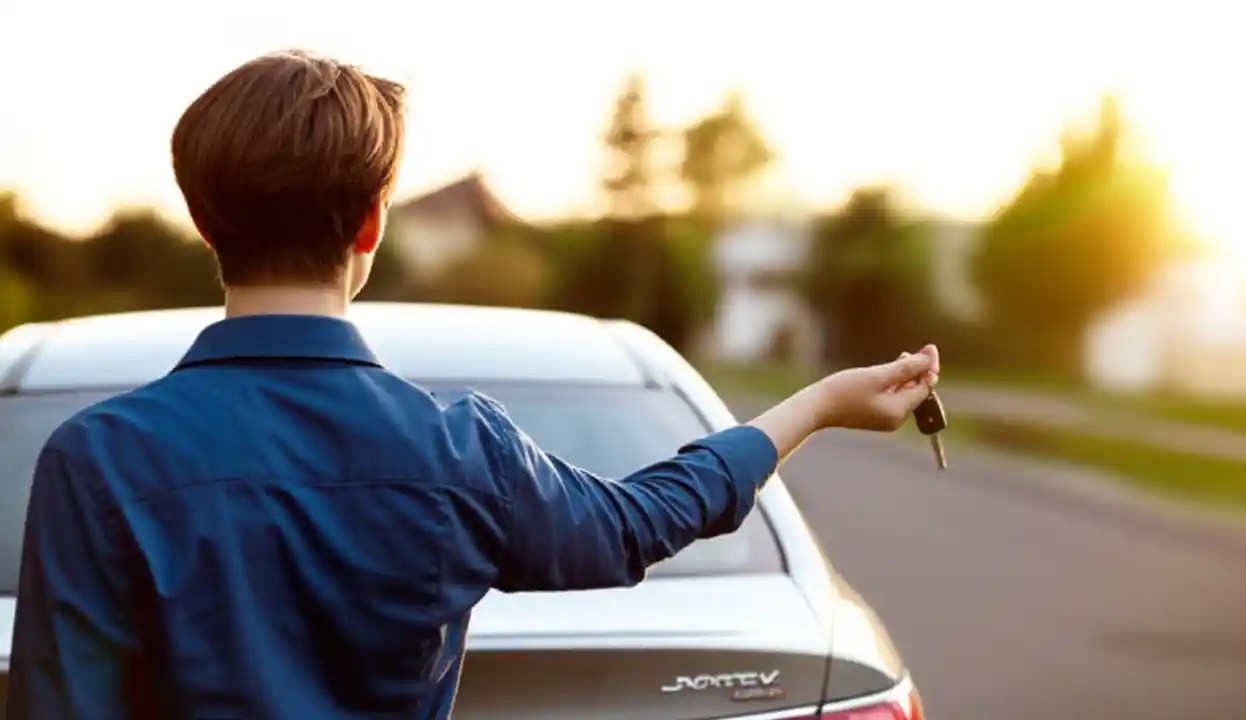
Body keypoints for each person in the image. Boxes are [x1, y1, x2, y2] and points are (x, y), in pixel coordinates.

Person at [6, 50, 941, 720]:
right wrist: (815, 407)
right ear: (372, 224)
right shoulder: (460, 455)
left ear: (205, 222)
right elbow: (637, 523)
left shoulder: (96, 461)